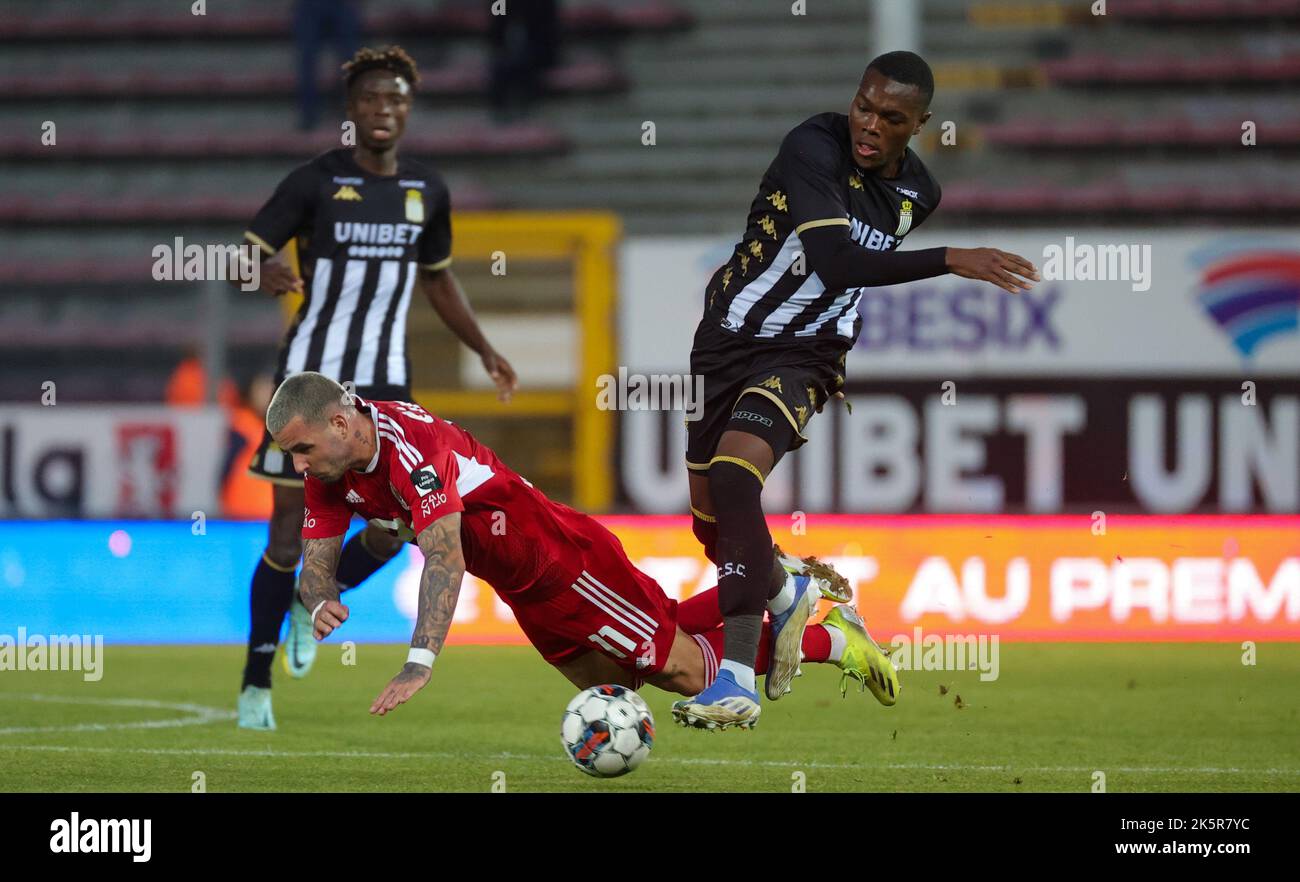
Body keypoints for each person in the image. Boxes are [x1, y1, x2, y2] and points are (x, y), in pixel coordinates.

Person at [676, 51, 1040, 728]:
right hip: (725, 341)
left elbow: (844, 276)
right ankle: (795, 598)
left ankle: (733, 679)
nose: (869, 125)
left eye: (891, 117)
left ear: (920, 124)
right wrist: (952, 259)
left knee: (734, 478)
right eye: (864, 106)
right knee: (709, 524)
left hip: (808, 352)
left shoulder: (919, 196)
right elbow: (837, 260)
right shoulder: (812, 146)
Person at [266, 372, 898, 725]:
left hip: (567, 565)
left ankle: (835, 639)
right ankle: (769, 575)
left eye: (301, 449)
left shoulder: (412, 451)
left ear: (341, 424)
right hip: (527, 591)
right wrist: (320, 597)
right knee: (621, 684)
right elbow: (316, 557)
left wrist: (419, 662)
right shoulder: (331, 470)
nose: (297, 466)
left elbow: (445, 558)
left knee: (684, 673)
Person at [237, 45, 518, 730]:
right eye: (370, 100)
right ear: (350, 110)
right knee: (284, 534)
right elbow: (248, 248)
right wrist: (265, 267)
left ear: (408, 108)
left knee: (393, 534)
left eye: (394, 100)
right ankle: (255, 681)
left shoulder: (427, 191)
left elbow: (439, 279)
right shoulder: (315, 182)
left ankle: (314, 603)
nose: (383, 110)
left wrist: (482, 347)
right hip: (308, 379)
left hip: (384, 386)